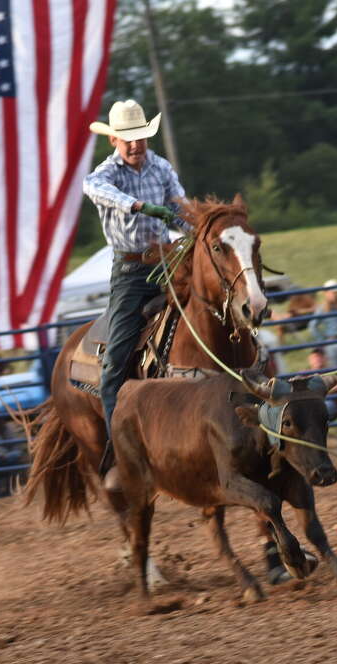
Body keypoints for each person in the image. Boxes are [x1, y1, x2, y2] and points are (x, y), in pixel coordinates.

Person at [83, 99, 187, 475]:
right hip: (130, 271)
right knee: (115, 366)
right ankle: (121, 447)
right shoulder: (105, 173)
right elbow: (93, 188)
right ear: (113, 140)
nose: (134, 145)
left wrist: (201, 232)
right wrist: (141, 206)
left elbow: (182, 208)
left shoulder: (161, 168)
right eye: (127, 139)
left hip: (167, 260)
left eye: (140, 137)